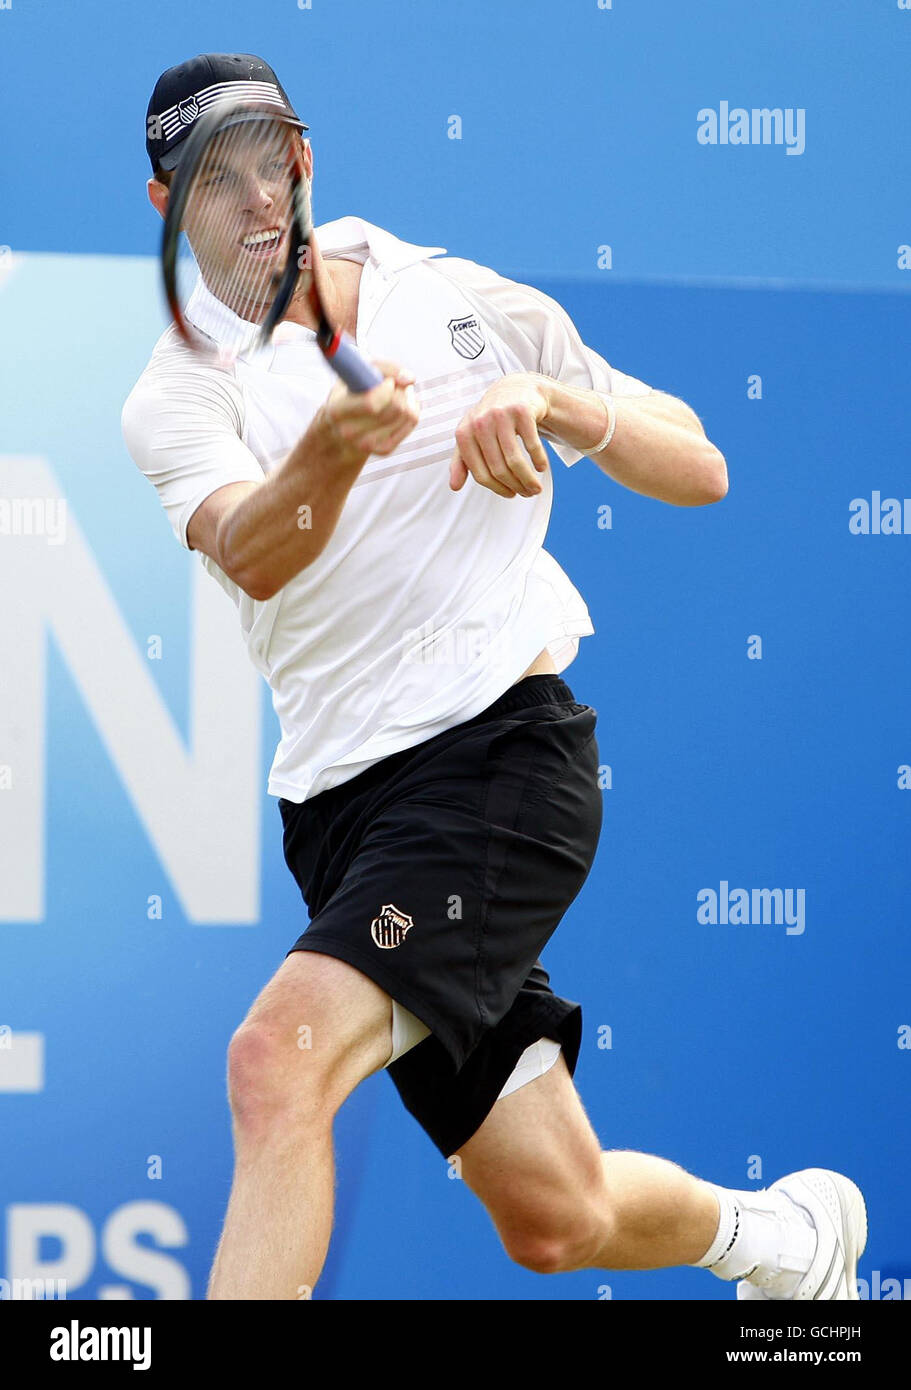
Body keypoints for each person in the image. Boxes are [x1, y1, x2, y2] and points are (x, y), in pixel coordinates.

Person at [122, 52, 866, 1301]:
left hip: (497, 763)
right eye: (214, 181)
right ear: (167, 209)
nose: (253, 200)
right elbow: (256, 552)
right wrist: (331, 457)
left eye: (270, 163)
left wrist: (556, 405)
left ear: (303, 162)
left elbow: (698, 462)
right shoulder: (175, 394)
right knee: (552, 1217)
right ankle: (785, 1241)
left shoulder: (457, 298)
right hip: (341, 817)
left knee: (274, 1064)